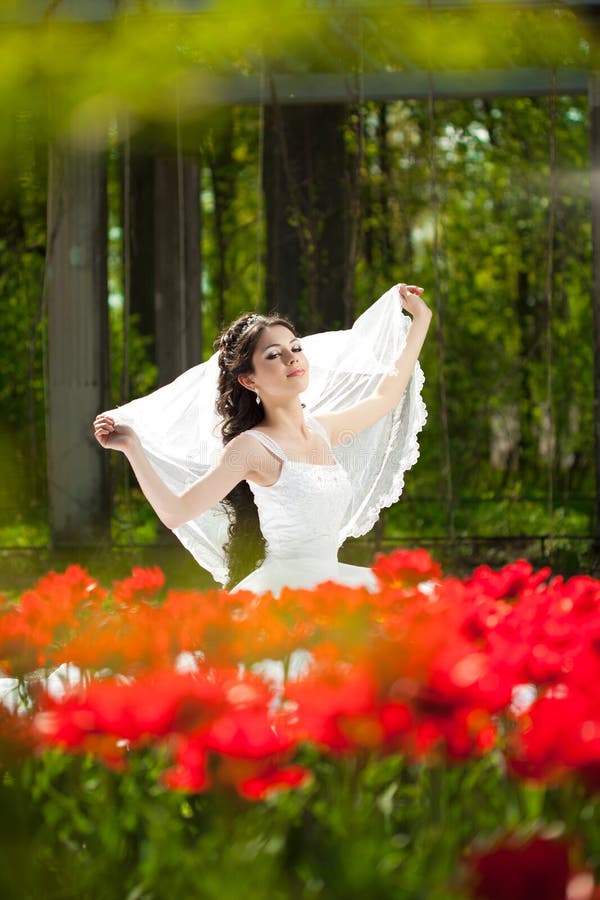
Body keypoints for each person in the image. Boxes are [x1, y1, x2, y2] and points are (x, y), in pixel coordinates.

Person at [93, 283, 432, 595]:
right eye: (273, 355)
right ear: (249, 381)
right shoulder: (252, 448)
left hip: (333, 583)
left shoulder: (322, 431)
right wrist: (132, 448)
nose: (291, 358)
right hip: (287, 593)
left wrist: (421, 320)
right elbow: (176, 512)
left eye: (295, 347)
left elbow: (386, 397)